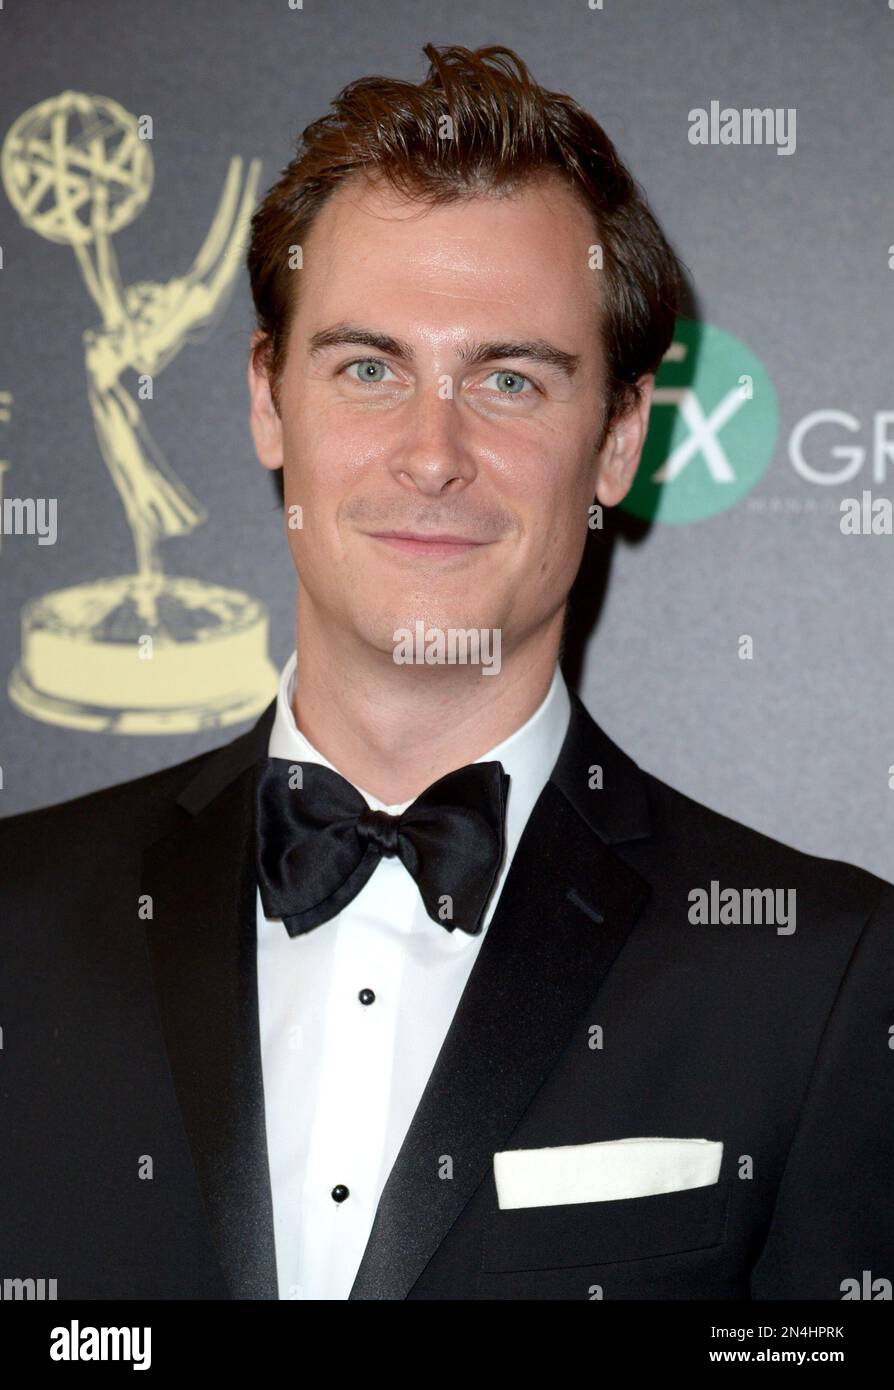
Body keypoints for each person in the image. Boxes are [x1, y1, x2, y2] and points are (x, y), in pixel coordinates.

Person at [1, 43, 892, 1302]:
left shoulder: (822, 974)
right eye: (369, 368)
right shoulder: (17, 921)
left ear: (619, 439)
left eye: (510, 378)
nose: (432, 454)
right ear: (269, 399)